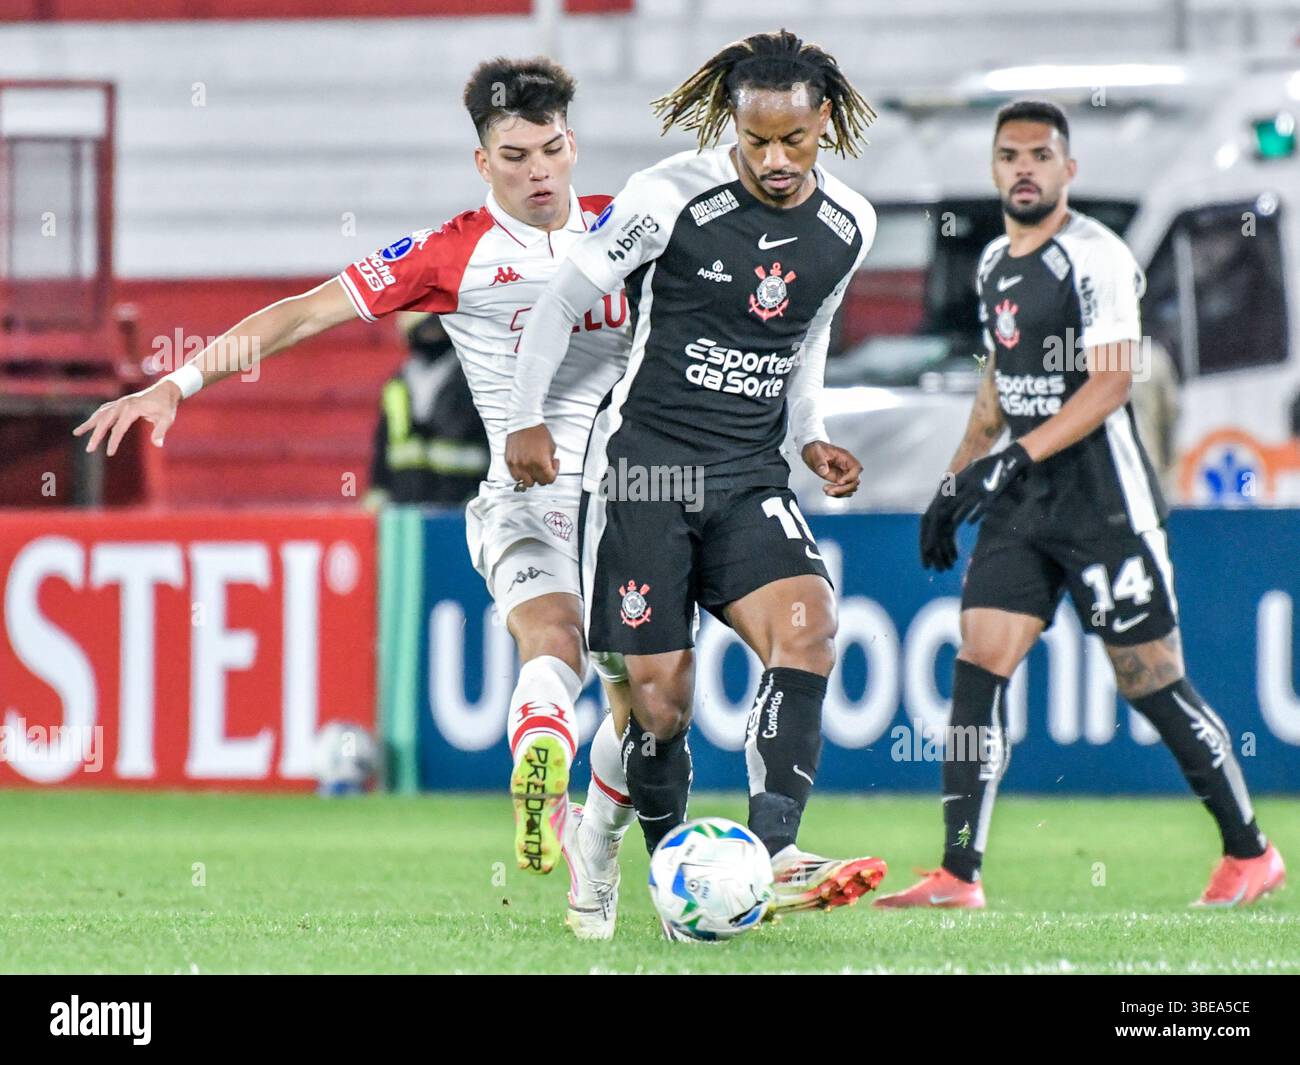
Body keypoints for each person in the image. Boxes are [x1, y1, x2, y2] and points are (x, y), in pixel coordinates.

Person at [73, 56, 640, 940]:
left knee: (626, 687)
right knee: (572, 642)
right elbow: (301, 314)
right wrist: (175, 385)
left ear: (575, 143)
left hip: (630, 499)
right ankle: (574, 801)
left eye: (553, 149)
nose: (538, 171)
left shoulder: (629, 229)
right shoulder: (448, 251)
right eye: (516, 153)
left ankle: (557, 777)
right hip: (531, 494)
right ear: (481, 163)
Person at [506, 29, 888, 925]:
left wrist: (813, 435)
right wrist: (526, 416)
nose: (775, 159)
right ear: (733, 124)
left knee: (810, 625)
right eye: (755, 139)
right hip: (645, 471)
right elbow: (565, 298)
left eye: (793, 139)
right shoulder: (668, 195)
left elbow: (808, 335)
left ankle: (778, 848)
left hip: (749, 472)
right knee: (659, 703)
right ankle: (613, 848)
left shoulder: (851, 224)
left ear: (823, 122)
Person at [876, 100, 1285, 909]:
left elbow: (1110, 383)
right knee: (977, 661)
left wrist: (1012, 460)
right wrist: (958, 480)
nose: (1024, 168)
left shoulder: (1094, 258)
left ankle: (1250, 851)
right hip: (1024, 504)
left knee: (1151, 682)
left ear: (1070, 170)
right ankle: (960, 872)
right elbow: (998, 389)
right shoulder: (995, 262)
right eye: (1010, 155)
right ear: (994, 169)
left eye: (1041, 155)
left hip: (1104, 502)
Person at [366, 312, 489, 508]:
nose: (432, 336)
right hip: (406, 501)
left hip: (461, 500)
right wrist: (378, 490)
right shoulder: (398, 383)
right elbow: (384, 443)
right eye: (425, 330)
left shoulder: (472, 378)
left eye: (437, 329)